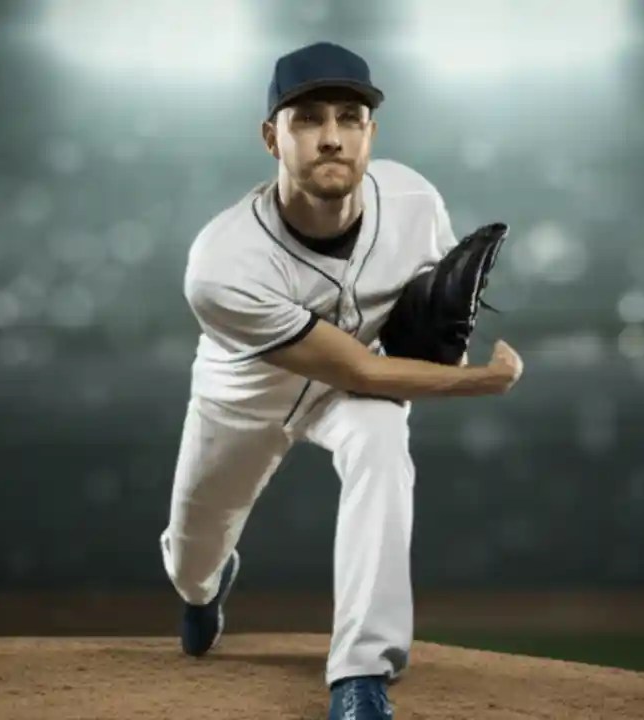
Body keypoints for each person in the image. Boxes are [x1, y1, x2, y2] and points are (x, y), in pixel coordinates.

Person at [159, 41, 524, 720]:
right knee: (190, 558)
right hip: (243, 395)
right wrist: (483, 379)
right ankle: (205, 585)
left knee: (382, 442)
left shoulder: (414, 200)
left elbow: (418, 331)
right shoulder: (220, 263)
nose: (331, 136)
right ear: (272, 137)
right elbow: (357, 365)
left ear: (370, 133)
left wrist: (441, 344)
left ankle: (362, 673)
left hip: (351, 393)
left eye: (349, 118)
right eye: (307, 118)